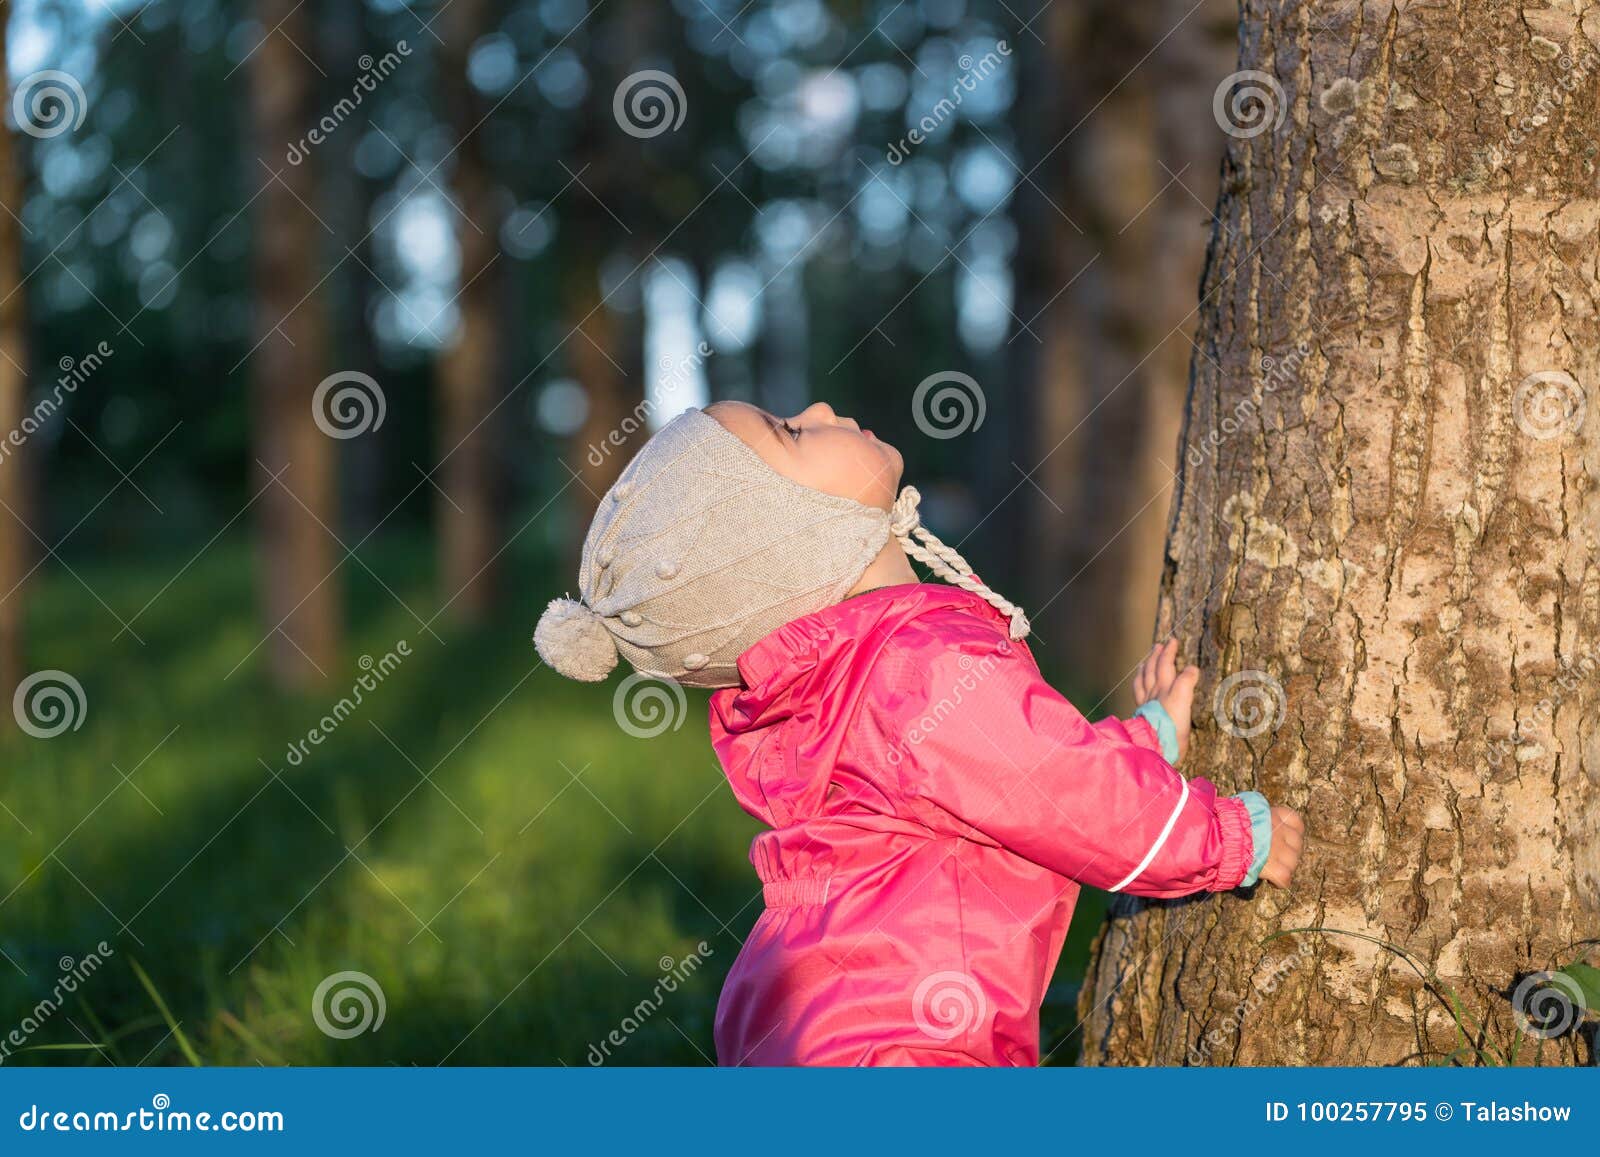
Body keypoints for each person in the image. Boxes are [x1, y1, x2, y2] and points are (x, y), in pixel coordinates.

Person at [536, 401, 1305, 1066]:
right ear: (785, 543)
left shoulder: (845, 681)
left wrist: (1144, 741)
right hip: (904, 1041)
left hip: (808, 1019)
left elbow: (1013, 782)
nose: (825, 411)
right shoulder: (917, 665)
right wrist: (1226, 836)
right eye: (793, 433)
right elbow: (1056, 787)